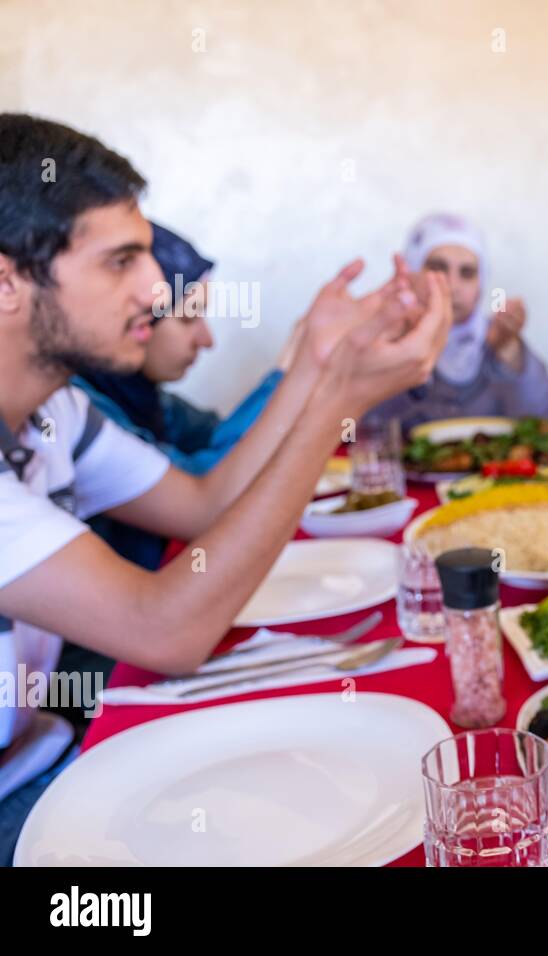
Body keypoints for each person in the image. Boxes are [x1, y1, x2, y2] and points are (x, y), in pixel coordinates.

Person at [0, 113, 450, 863]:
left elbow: (204, 500)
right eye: (121, 263)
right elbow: (165, 632)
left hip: (52, 753)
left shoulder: (54, 409)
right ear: (7, 282)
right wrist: (337, 402)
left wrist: (313, 361)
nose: (154, 289)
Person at [72, 223, 297, 569]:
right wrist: (293, 371)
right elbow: (203, 492)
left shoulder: (144, 399)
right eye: (189, 316)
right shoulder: (75, 405)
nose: (207, 340)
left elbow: (224, 445)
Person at [368, 213, 548, 431]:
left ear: (481, 283)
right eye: (438, 268)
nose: (453, 285)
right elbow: (360, 433)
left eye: (467, 273)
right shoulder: (382, 339)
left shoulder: (497, 335)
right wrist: (400, 357)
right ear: (411, 272)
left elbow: (547, 423)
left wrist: (507, 351)